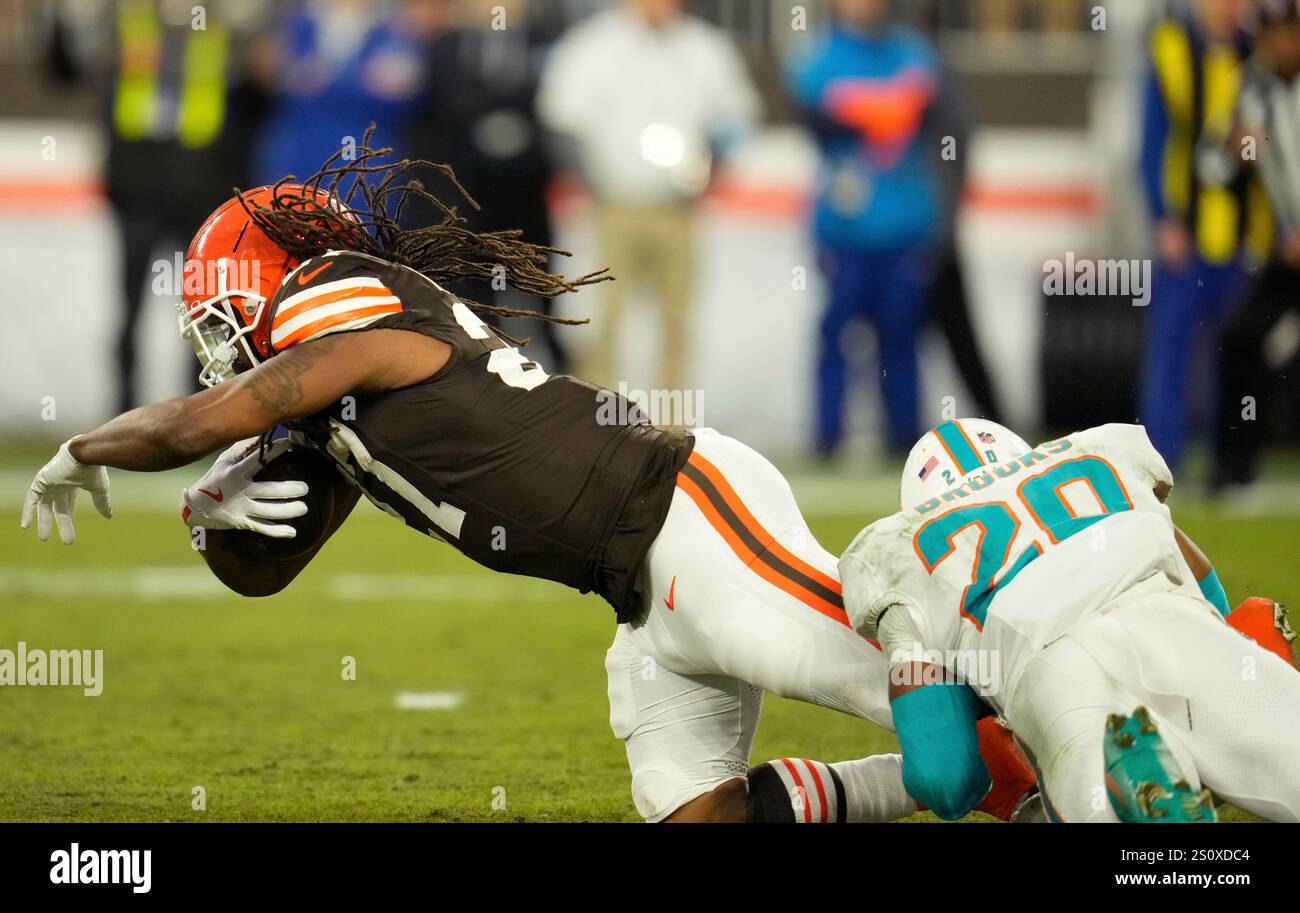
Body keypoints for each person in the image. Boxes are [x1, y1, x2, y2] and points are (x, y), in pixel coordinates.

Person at [19, 141, 1036, 824]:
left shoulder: (340, 299)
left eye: (215, 321)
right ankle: (950, 772)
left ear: (268, 282)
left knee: (901, 685)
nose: (215, 352)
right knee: (698, 808)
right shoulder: (330, 396)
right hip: (638, 586)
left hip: (681, 515)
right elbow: (263, 567)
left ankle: (1088, 734)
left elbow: (208, 415)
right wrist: (214, 517)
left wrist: (85, 447)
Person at [840, 418, 1300, 822]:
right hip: (1174, 622)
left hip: (1055, 670)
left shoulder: (894, 549)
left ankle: (1133, 788)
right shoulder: (1099, 449)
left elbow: (944, 774)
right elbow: (1214, 603)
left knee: (1097, 800)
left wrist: (974, 704)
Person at [48, 0, 262, 414]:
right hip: (138, 191)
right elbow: (66, 70)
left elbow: (257, 97)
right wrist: (66, 18)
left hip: (200, 193)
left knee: (206, 314)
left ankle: (198, 416)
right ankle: (123, 417)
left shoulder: (223, 27)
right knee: (129, 311)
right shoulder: (125, 21)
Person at [536, 0, 761, 393]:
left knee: (678, 320)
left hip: (679, 209)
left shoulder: (704, 48)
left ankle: (672, 432)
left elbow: (738, 116)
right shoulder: (593, 46)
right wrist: (589, 181)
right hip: (615, 206)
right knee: (605, 318)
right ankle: (598, 427)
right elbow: (559, 119)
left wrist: (712, 169)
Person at [784, 0, 941, 458]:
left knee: (902, 338)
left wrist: (865, 108)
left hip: (903, 226)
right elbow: (822, 113)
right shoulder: (817, 53)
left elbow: (914, 109)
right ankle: (828, 437)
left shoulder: (910, 50)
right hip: (842, 229)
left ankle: (906, 443)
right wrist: (886, 108)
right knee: (836, 336)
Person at [1138, 0, 1271, 470]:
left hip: (1242, 239)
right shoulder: (1169, 48)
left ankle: (1228, 465)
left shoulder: (1261, 54)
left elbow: (1279, 143)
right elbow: (1151, 143)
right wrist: (1163, 217)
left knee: (1232, 355)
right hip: (1186, 237)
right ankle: (1157, 465)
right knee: (1170, 352)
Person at [1213, 0, 1300, 491]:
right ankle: (1236, 470)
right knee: (1240, 341)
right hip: (1286, 254)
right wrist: (1235, 149)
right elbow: (1215, 166)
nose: (1281, 44)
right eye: (1272, 34)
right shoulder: (1255, 88)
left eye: (1287, 32)